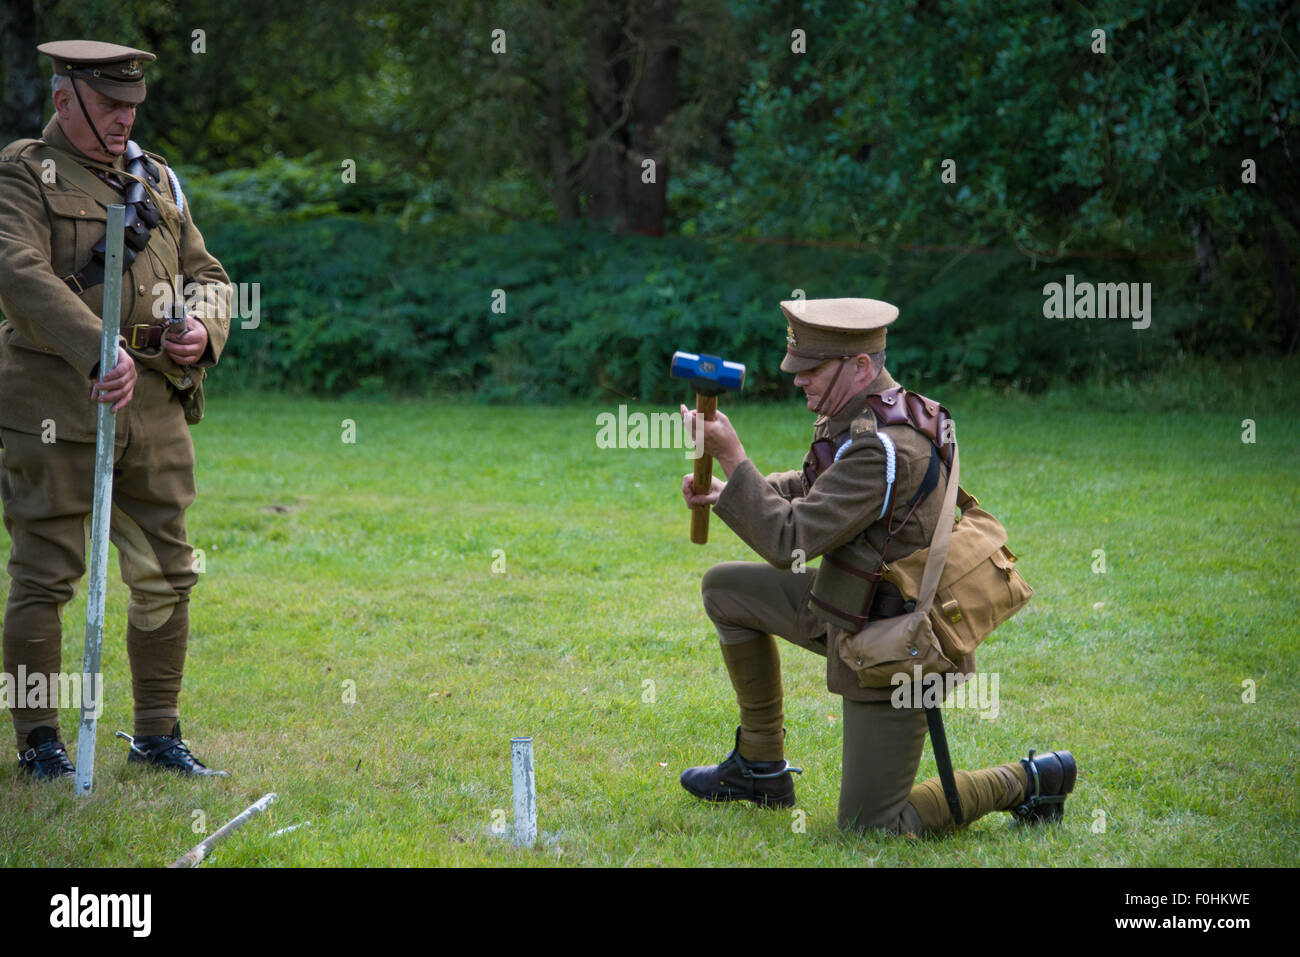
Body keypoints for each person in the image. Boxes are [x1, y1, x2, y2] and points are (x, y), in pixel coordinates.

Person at [677, 298, 1074, 835]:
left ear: (860, 366)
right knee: (725, 589)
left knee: (872, 829)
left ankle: (1029, 779)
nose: (798, 381)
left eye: (811, 370)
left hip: (894, 647)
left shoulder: (885, 447)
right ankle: (759, 767)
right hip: (848, 607)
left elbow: (789, 540)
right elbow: (817, 490)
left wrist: (733, 457)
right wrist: (737, 491)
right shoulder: (863, 415)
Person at [0, 40, 232, 778]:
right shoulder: (21, 174)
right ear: (64, 98)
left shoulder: (155, 178)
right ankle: (39, 743)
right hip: (56, 400)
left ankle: (158, 735)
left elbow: (210, 274)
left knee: (166, 570)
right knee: (45, 575)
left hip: (156, 400)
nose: (123, 121)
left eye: (132, 108)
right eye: (108, 106)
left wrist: (203, 326)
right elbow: (19, 272)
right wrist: (96, 346)